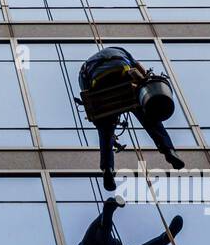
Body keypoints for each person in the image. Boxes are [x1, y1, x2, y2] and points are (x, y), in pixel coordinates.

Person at [79, 46, 185, 190]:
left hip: (100, 86)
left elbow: (86, 93)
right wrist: (148, 80)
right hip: (123, 77)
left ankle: (108, 169)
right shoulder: (118, 50)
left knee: (105, 132)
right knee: (149, 117)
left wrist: (101, 123)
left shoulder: (86, 66)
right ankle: (169, 151)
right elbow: (138, 67)